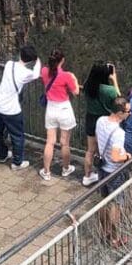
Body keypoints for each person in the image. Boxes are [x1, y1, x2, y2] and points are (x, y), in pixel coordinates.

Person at [0, 45, 41, 171]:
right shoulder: (26, 73)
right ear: (31, 60)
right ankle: (17, 163)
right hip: (10, 109)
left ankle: (2, 155)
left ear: (20, 55)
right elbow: (36, 74)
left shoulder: (9, 64)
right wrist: (38, 60)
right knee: (17, 136)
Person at [94, 96, 132, 247]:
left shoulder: (101, 121)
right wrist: (127, 156)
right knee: (116, 205)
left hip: (102, 168)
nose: (129, 114)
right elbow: (116, 156)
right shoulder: (118, 133)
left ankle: (104, 233)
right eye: (128, 111)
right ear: (120, 113)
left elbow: (98, 140)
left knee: (104, 202)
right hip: (114, 172)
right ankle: (115, 238)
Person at [39, 49, 80, 181]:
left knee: (50, 142)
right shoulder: (66, 76)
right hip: (64, 109)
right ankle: (66, 168)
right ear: (62, 60)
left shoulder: (44, 71)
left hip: (51, 108)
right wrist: (74, 77)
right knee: (64, 143)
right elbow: (76, 92)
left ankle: (46, 171)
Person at [81, 61, 121, 187]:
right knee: (104, 150)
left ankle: (87, 176)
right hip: (103, 121)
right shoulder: (109, 90)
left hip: (90, 118)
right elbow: (120, 101)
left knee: (90, 150)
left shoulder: (88, 86)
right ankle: (104, 175)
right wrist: (114, 80)